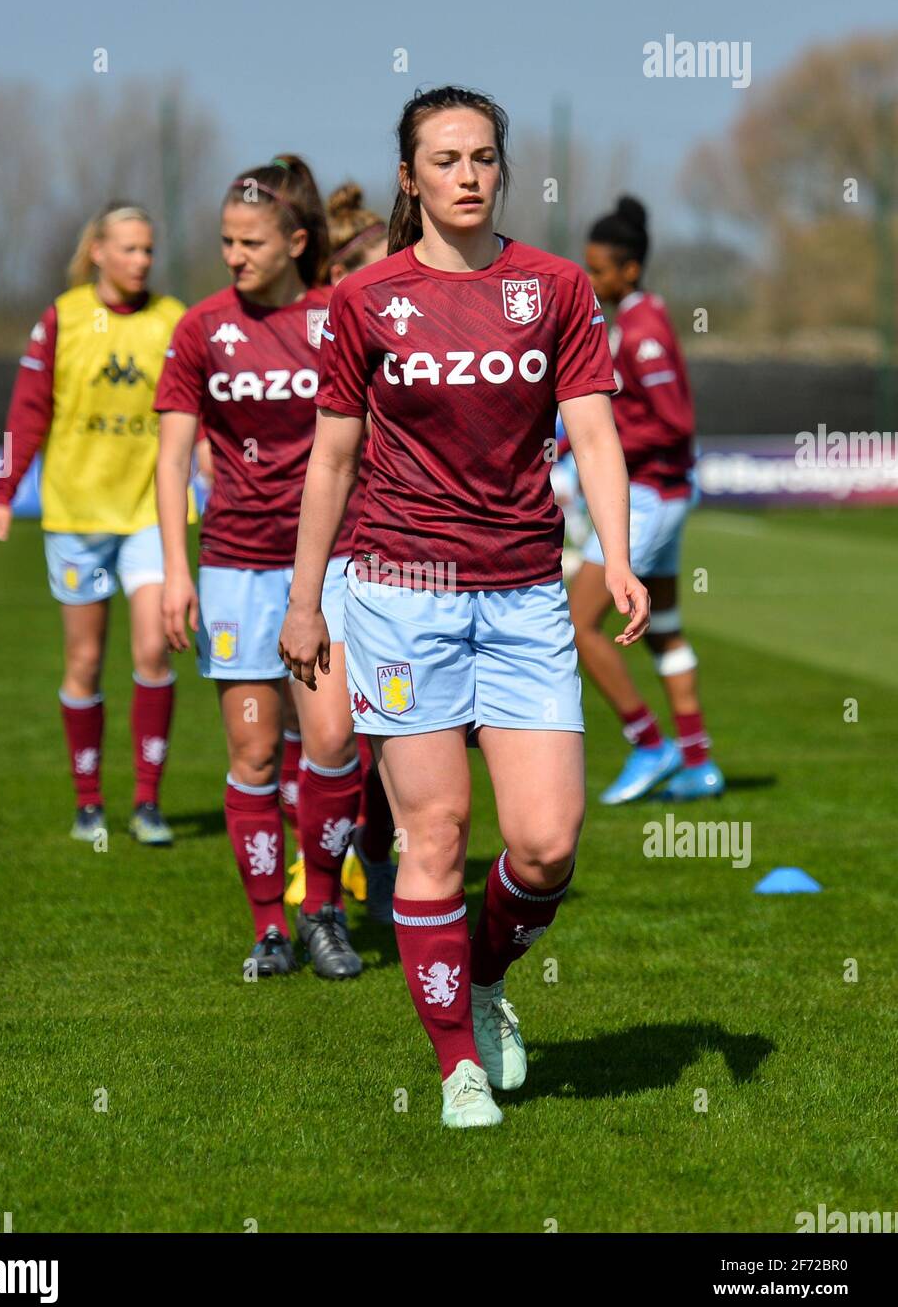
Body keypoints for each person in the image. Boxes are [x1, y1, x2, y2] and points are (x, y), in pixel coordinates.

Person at [278, 86, 649, 1128]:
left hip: (527, 595)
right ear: (409, 178)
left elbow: (593, 433)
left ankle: (482, 981)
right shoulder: (365, 301)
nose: (468, 175)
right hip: (401, 595)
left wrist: (613, 557)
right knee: (434, 832)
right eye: (444, 159)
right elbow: (334, 457)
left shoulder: (558, 288)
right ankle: (456, 1067)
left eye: (483, 156)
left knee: (543, 845)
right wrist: (307, 603)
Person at [154, 155, 365, 980]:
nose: (233, 256)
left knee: (332, 738)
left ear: (296, 241)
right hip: (235, 566)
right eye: (224, 242)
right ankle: (268, 929)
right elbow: (173, 462)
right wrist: (177, 571)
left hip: (330, 562)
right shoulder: (201, 328)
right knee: (250, 754)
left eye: (249, 242)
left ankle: (325, 912)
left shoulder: (337, 316)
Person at [0, 201, 189, 845]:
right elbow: (29, 410)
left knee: (155, 649)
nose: (141, 261)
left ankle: (148, 803)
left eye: (148, 250)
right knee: (86, 657)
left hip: (151, 511)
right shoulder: (63, 318)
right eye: (129, 248)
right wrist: (2, 491)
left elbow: (201, 410)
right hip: (76, 512)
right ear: (98, 251)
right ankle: (89, 801)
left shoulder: (174, 320)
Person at [571, 196, 724, 803]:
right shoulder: (637, 320)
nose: (591, 280)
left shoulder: (642, 329)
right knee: (664, 629)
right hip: (661, 493)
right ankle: (699, 763)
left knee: (578, 624)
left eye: (599, 270)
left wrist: (597, 442)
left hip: (648, 496)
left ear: (628, 270)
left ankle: (647, 743)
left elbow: (674, 422)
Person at [283, 181, 398, 922]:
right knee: (315, 734)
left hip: (397, 556)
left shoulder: (407, 322)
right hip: (310, 554)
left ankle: (376, 858)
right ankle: (312, 878)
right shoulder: (308, 327)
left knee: (394, 731)